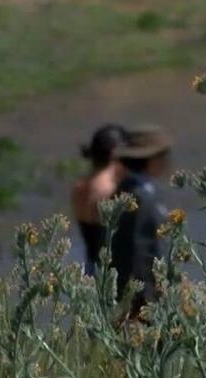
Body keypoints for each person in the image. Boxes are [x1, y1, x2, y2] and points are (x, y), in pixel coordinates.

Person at [110, 125, 173, 318]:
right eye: (165, 157)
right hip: (144, 299)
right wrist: (144, 300)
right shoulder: (139, 198)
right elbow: (137, 253)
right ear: (153, 160)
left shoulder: (132, 190)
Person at [71, 124, 129, 276]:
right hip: (113, 272)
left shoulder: (80, 187)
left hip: (90, 266)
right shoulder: (110, 189)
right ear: (116, 154)